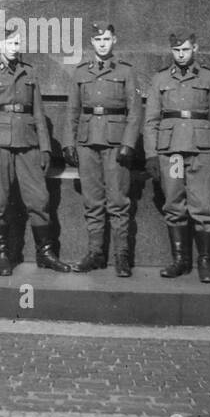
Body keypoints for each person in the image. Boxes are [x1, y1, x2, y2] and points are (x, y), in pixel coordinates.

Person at [0, 25, 71, 276]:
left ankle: (46, 253)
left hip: (28, 144)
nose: (15, 48)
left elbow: (38, 112)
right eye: (10, 43)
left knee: (39, 199)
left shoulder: (30, 72)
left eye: (18, 43)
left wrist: (46, 147)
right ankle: (2, 254)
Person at [143, 28, 210, 283]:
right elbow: (151, 120)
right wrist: (150, 155)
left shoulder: (209, 78)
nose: (181, 54)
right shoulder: (160, 80)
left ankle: (205, 261)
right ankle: (180, 260)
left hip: (200, 151)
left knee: (203, 206)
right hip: (172, 154)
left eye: (185, 49)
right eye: (177, 50)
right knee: (174, 203)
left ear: (195, 48)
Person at [63, 23, 143, 277]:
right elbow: (72, 111)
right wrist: (68, 142)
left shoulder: (126, 72)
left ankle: (121, 256)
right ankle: (96, 253)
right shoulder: (80, 73)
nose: (102, 43)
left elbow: (135, 111)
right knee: (92, 201)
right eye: (97, 39)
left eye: (106, 39)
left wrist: (129, 143)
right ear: (91, 42)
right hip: (87, 143)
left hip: (115, 143)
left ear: (114, 40)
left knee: (118, 201)